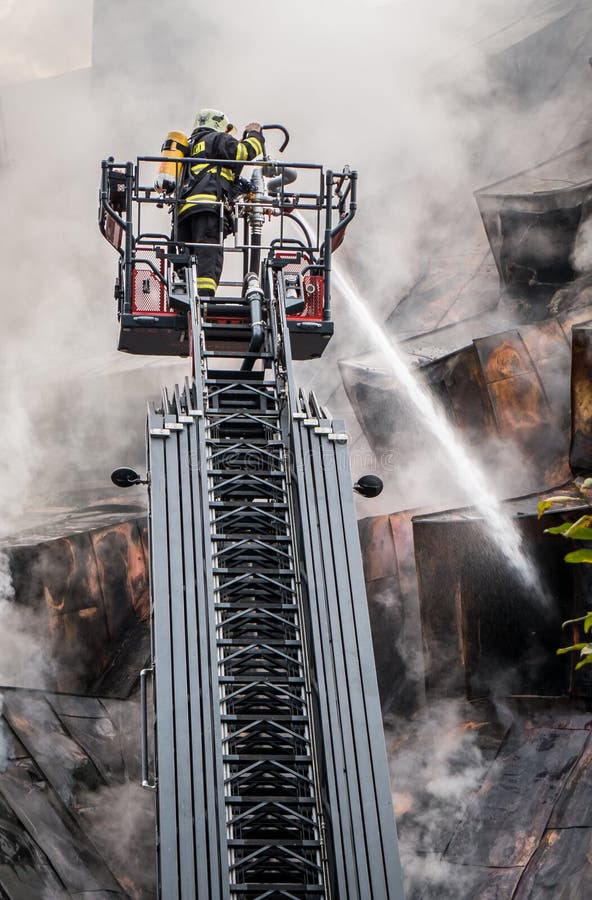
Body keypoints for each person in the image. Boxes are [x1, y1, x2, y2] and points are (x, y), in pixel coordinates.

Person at [165, 108, 265, 297]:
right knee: (208, 256)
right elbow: (244, 152)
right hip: (208, 209)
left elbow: (218, 174)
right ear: (218, 124)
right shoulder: (217, 139)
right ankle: (204, 300)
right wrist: (255, 134)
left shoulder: (188, 148)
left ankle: (183, 291)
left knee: (186, 256)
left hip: (183, 214)